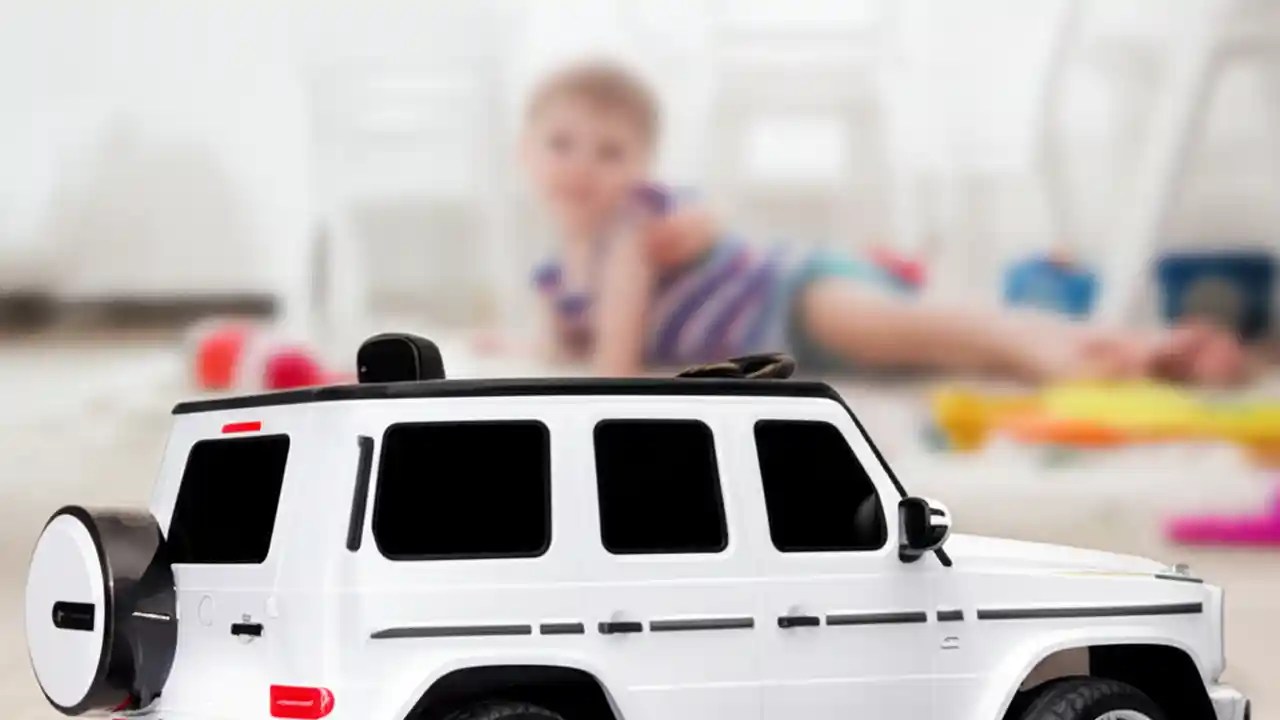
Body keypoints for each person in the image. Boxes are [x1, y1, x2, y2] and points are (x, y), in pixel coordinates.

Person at [517, 60, 1246, 383]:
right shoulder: (560, 271)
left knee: (959, 331)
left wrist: (701, 226)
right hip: (801, 326)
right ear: (525, 153)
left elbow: (612, 358)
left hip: (801, 297)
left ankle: (1092, 355)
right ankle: (1138, 345)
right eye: (561, 145)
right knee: (950, 339)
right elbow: (564, 331)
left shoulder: (634, 233)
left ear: (644, 166)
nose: (582, 166)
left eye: (610, 152)